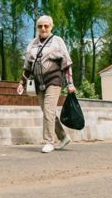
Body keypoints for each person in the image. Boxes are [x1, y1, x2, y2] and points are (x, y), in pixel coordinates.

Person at [16, 15, 77, 152]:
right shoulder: (32, 44)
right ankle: (63, 137)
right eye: (40, 26)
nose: (43, 28)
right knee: (47, 112)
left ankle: (49, 141)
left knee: (48, 110)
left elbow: (66, 64)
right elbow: (27, 67)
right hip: (38, 83)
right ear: (37, 28)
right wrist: (21, 83)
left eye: (46, 26)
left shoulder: (57, 41)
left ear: (51, 26)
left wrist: (70, 84)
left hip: (54, 80)